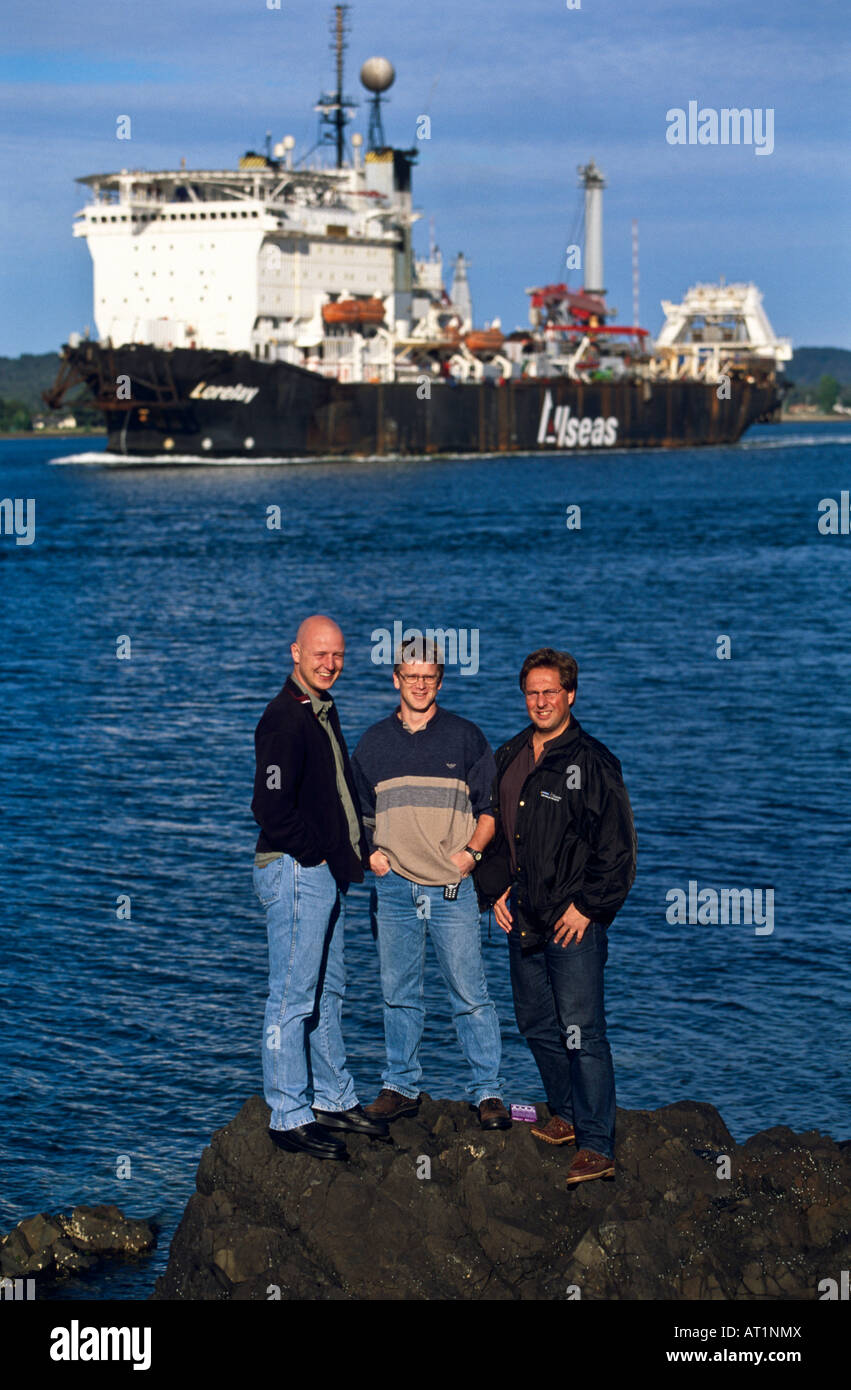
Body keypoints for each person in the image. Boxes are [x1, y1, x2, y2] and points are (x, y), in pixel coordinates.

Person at [482, 647, 636, 1184]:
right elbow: (497, 834)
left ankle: (597, 1144)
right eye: (532, 692)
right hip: (522, 915)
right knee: (536, 1024)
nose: (541, 701)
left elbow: (618, 850)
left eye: (551, 691)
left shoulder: (592, 762)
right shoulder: (508, 756)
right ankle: (566, 1114)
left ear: (570, 694)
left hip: (573, 923)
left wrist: (588, 907)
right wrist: (495, 889)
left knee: (582, 1031)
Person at [352, 640, 511, 1130]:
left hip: (450, 889)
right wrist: (370, 856)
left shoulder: (466, 737)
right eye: (410, 675)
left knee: (469, 992)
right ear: (395, 678)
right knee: (399, 991)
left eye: (429, 677)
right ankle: (400, 1085)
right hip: (395, 887)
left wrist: (471, 856)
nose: (419, 684)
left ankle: (488, 1092)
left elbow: (491, 810)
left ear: (440, 681)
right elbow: (357, 814)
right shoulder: (372, 743)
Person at [251, 614, 388, 1160]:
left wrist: (349, 856)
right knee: (290, 997)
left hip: (325, 875)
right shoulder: (284, 718)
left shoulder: (322, 710)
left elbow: (334, 792)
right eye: (319, 654)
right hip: (295, 871)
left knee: (328, 992)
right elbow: (269, 807)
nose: (329, 664)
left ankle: (332, 1097)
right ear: (295, 652)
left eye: (337, 655)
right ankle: (287, 1113)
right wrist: (315, 855)